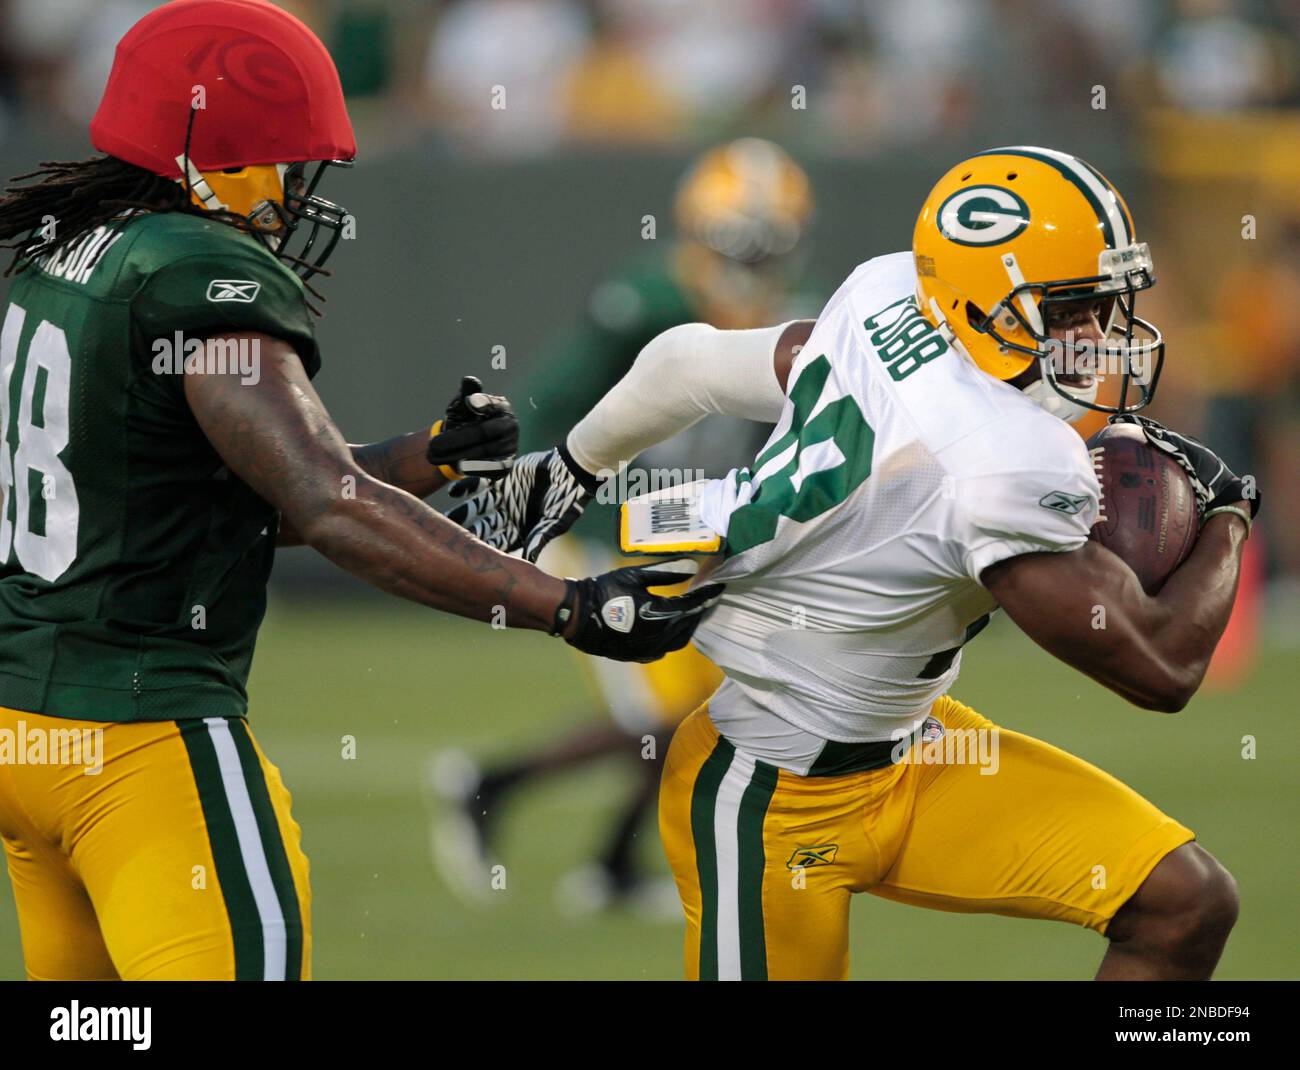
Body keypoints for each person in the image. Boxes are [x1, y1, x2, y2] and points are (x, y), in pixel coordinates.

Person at [0, 0, 712, 981]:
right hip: (142, 746)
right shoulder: (192, 270)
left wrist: (422, 456)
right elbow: (326, 503)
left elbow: (223, 499)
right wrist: (568, 605)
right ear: (222, 153)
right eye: (289, 164)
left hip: (24, 742)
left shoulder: (67, 255)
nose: (297, 196)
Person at [448, 146, 1259, 980]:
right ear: (984, 305)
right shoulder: (1006, 463)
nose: (1099, 340)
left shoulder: (890, 293)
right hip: (769, 797)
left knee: (1185, 904)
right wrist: (1230, 509)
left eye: (1108, 306)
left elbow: (686, 364)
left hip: (918, 752)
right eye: (1072, 313)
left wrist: (570, 468)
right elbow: (1162, 670)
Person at [429, 138, 818, 914]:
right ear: (697, 234)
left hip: (687, 526)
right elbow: (548, 400)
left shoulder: (784, 317)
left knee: (700, 715)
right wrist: (571, 495)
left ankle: (607, 864)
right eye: (739, 243)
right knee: (665, 716)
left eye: (768, 245)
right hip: (610, 523)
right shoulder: (646, 301)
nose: (753, 262)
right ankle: (493, 786)